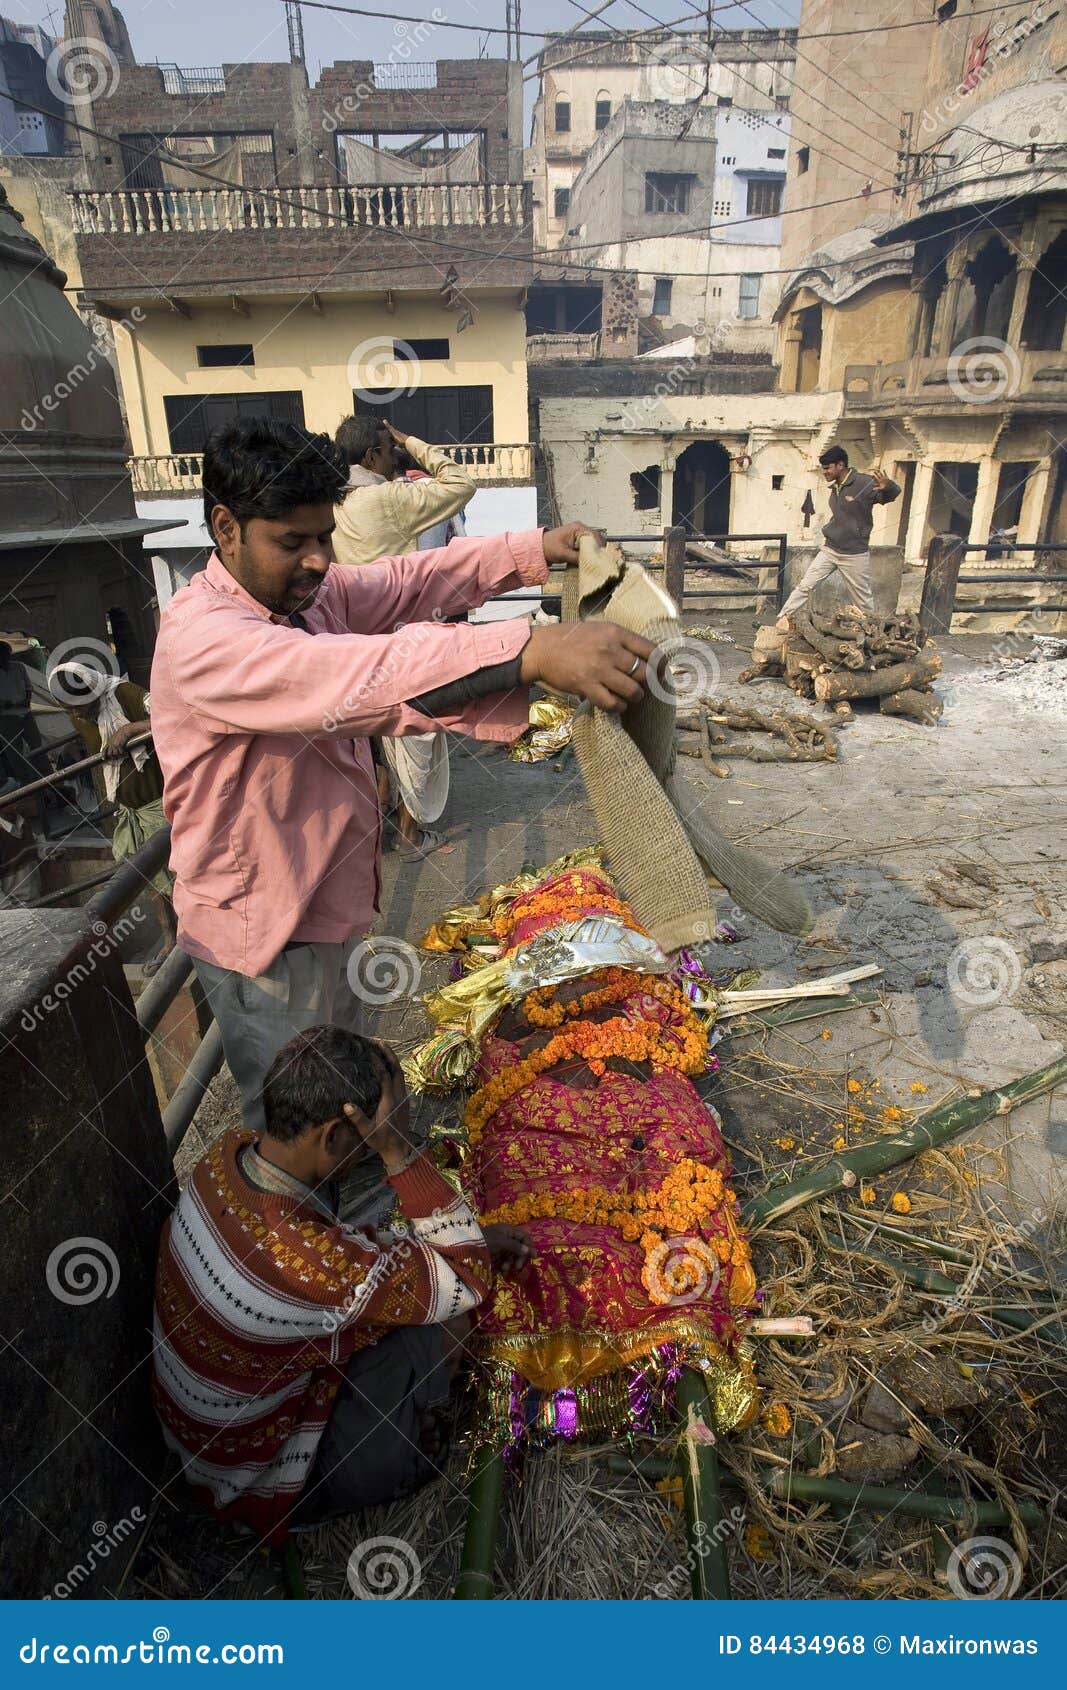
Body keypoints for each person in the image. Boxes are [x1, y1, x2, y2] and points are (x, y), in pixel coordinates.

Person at [149, 416, 653, 1146]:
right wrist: (529, 650)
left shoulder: (304, 595)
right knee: (299, 1123)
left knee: (336, 1090)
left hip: (323, 903)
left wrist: (529, 551)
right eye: (293, 542)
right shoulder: (207, 638)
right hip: (265, 933)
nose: (320, 561)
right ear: (226, 529)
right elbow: (364, 674)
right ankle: (300, 1242)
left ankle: (348, 1224)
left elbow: (404, 579)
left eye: (324, 536)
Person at [152, 1024, 533, 1537]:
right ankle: (363, 1471)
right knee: (452, 1326)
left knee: (395, 1303)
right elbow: (466, 1278)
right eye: (371, 1133)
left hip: (200, 1436)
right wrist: (397, 1149)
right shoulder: (311, 1265)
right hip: (250, 1477)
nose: (378, 1140)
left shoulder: (225, 1156)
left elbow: (354, 1253)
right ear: (332, 1135)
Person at [333, 414, 478, 861]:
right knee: (417, 733)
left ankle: (380, 832)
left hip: (352, 641)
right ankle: (412, 835)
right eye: (387, 447)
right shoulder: (392, 498)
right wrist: (409, 438)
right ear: (373, 455)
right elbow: (461, 482)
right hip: (403, 640)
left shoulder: (331, 504)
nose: (395, 454)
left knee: (374, 738)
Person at [47, 661, 177, 972]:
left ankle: (195, 939)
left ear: (95, 691)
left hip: (158, 802)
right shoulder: (77, 712)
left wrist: (131, 728)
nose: (77, 715)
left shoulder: (125, 694)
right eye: (70, 710)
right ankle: (170, 938)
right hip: (127, 808)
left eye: (82, 707)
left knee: (177, 874)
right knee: (145, 877)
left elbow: (175, 717)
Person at [778, 446, 900, 625]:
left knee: (862, 601)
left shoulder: (863, 483)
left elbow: (889, 496)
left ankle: (872, 633)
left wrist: (889, 487)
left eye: (828, 468)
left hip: (854, 554)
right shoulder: (836, 486)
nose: (825, 472)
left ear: (840, 465)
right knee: (805, 586)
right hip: (830, 549)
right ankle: (782, 620)